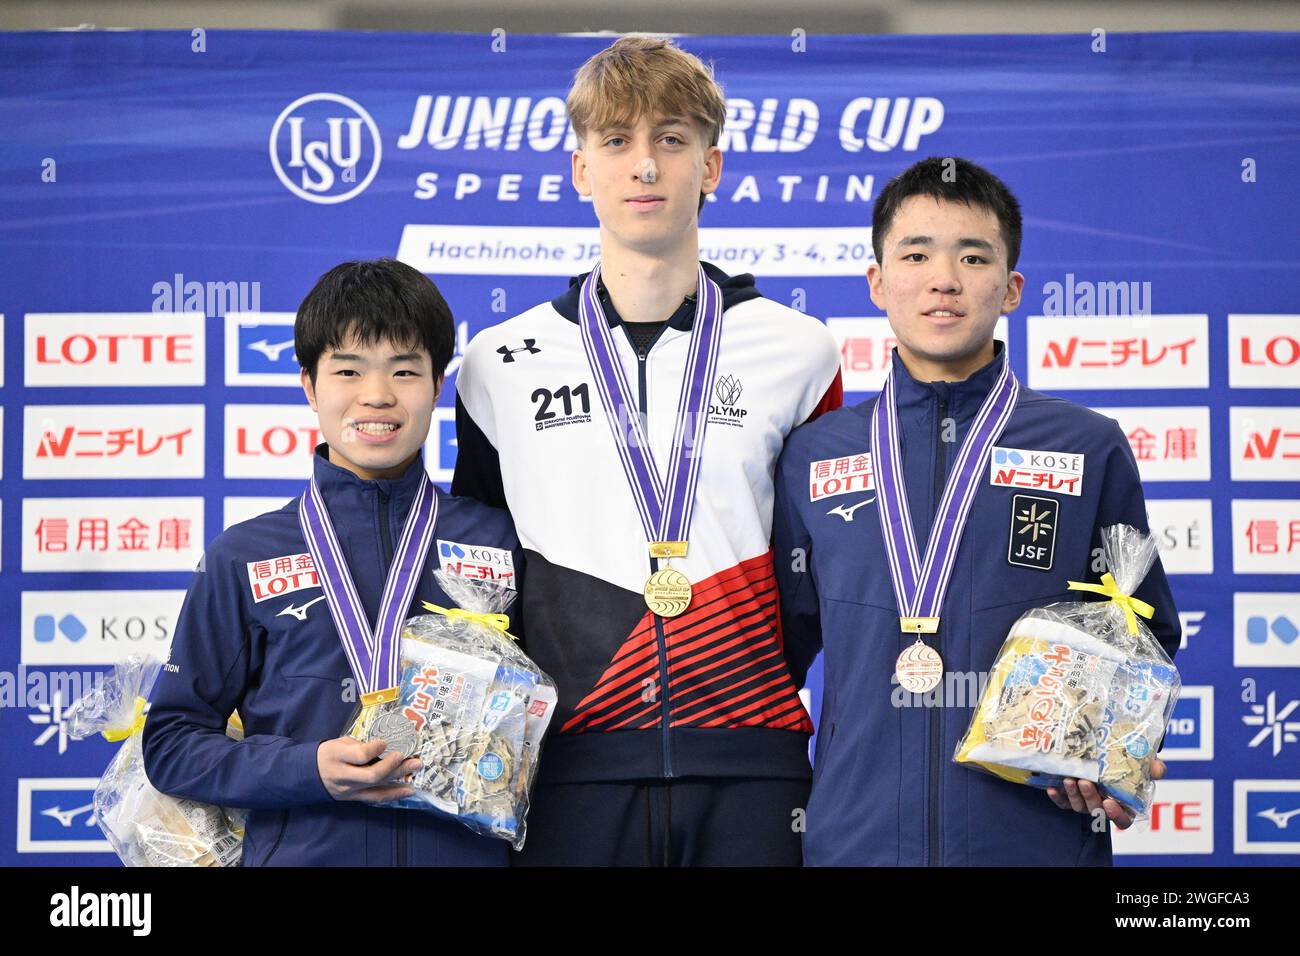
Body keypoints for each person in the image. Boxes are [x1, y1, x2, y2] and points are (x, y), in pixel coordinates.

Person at [453, 36, 843, 866]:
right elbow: (478, 577)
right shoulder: (498, 363)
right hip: (568, 765)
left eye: (671, 139)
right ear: (579, 169)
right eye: (617, 141)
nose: (644, 166)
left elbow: (820, 568)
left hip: (753, 760)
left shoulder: (800, 352)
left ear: (711, 167)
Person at [772, 157, 1181, 866]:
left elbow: (1143, 634)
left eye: (973, 255)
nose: (944, 279)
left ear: (1012, 288)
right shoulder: (814, 454)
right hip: (855, 839)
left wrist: (1118, 747)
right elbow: (776, 648)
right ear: (877, 282)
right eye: (916, 253)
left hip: (1033, 840)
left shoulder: (1086, 447)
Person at [143, 259, 524, 866]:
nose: (377, 394)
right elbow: (171, 744)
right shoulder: (244, 555)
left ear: (436, 384)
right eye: (348, 370)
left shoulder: (501, 539)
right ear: (309, 386)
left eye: (405, 369)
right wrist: (307, 768)